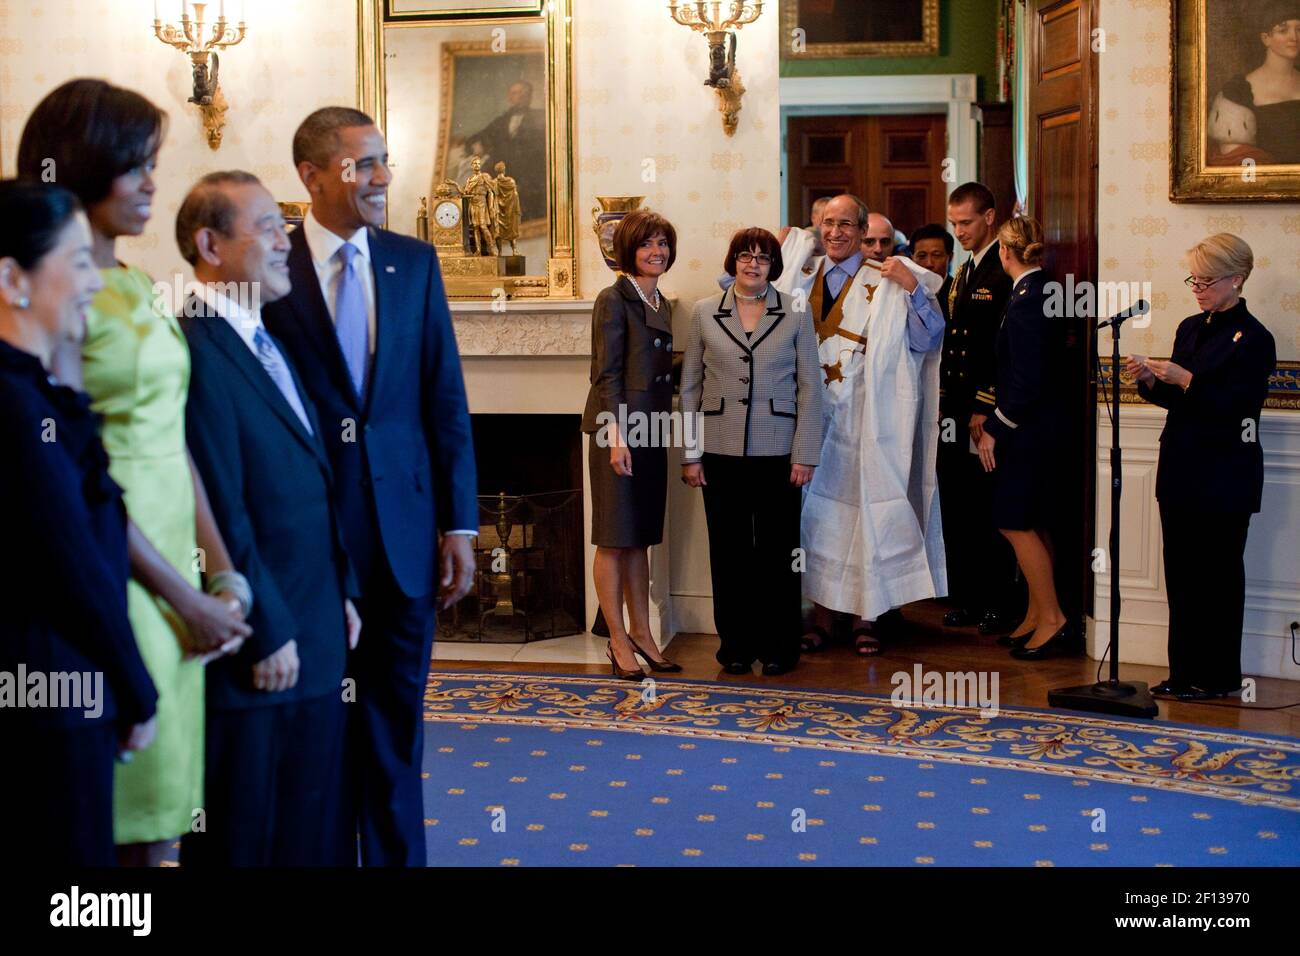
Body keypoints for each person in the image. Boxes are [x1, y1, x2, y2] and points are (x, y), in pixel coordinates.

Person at [17, 78, 252, 867]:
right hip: (112, 579)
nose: (155, 182)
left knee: (167, 817)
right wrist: (178, 594)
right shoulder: (53, 294)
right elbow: (72, 487)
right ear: (83, 166)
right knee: (116, 819)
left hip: (172, 572)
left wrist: (222, 573)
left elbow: (172, 441)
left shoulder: (139, 289)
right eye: (136, 165)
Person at [262, 107, 477, 867]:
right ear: (312, 175)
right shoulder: (267, 270)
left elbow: (442, 399)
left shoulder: (414, 263)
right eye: (363, 164)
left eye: (384, 160)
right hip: (310, 550)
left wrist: (461, 527)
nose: (382, 177)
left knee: (394, 729)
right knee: (316, 735)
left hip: (404, 543)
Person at [175, 171, 363, 865]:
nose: (287, 240)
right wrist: (265, 630)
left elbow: (310, 480)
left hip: (314, 632)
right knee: (246, 842)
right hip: (261, 652)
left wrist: (341, 585)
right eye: (265, 226)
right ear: (209, 243)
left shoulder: (265, 336)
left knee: (312, 834)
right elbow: (219, 505)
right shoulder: (190, 348)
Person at [0, 180, 158, 867]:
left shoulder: (33, 389)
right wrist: (138, 691)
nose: (97, 281)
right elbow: (75, 567)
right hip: (46, 707)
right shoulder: (12, 404)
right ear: (13, 278)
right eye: (79, 261)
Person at [775, 193, 947, 656]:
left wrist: (913, 288)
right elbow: (737, 284)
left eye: (847, 224)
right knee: (816, 519)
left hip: (865, 425)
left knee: (863, 515)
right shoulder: (797, 274)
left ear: (860, 228)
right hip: (809, 422)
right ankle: (822, 616)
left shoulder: (888, 278)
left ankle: (865, 616)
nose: (836, 232)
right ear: (818, 226)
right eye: (829, 223)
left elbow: (928, 338)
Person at [1125, 234, 1276, 699]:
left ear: (1237, 278)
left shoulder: (1254, 337)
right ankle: (1184, 672)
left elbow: (1241, 407)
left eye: (1207, 280)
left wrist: (1187, 378)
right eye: (1194, 279)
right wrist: (1151, 381)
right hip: (1182, 469)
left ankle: (1217, 677)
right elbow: (1180, 402)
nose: (1198, 288)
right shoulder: (1191, 327)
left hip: (1226, 475)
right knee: (1183, 576)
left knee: (1218, 578)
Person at [680, 227, 824, 676]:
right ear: (733, 261)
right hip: (719, 451)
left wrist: (805, 453)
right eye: (745, 255)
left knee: (778, 554)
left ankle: (781, 646)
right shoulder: (705, 313)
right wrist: (690, 453)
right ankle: (736, 647)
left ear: (773, 266)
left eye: (763, 257)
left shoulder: (796, 312)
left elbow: (810, 388)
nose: (753, 264)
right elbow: (689, 388)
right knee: (730, 552)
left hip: (780, 453)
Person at [581, 209, 682, 680]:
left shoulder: (659, 300)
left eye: (662, 243)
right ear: (629, 251)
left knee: (640, 538)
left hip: (652, 429)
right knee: (614, 537)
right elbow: (606, 374)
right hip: (616, 431)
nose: (656, 251)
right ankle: (617, 641)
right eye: (646, 244)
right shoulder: (613, 298)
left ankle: (644, 634)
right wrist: (617, 435)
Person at [974, 217, 1077, 660]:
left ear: (1005, 253)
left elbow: (1028, 381)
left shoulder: (1029, 299)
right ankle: (1038, 614)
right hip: (1039, 431)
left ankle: (1053, 618)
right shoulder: (1036, 292)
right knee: (1030, 520)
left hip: (1030, 432)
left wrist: (995, 428)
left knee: (1013, 520)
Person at [937, 181, 1020, 639]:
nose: (959, 231)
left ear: (990, 217)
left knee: (988, 508)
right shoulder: (965, 270)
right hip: (954, 406)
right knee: (959, 504)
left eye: (966, 222)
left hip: (982, 411)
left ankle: (997, 602)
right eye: (954, 223)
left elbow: (998, 347)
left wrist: (985, 405)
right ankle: (966, 596)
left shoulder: (1002, 268)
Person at [1207, 5, 1300, 166]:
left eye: (1299, 29)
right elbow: (1236, 161)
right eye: (1283, 30)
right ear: (1266, 38)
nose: (1294, 37)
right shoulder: (1239, 91)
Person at [908, 222, 955, 320]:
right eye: (922, 256)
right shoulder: (906, 293)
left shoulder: (959, 292)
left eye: (936, 255)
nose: (929, 263)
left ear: (950, 258)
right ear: (912, 258)